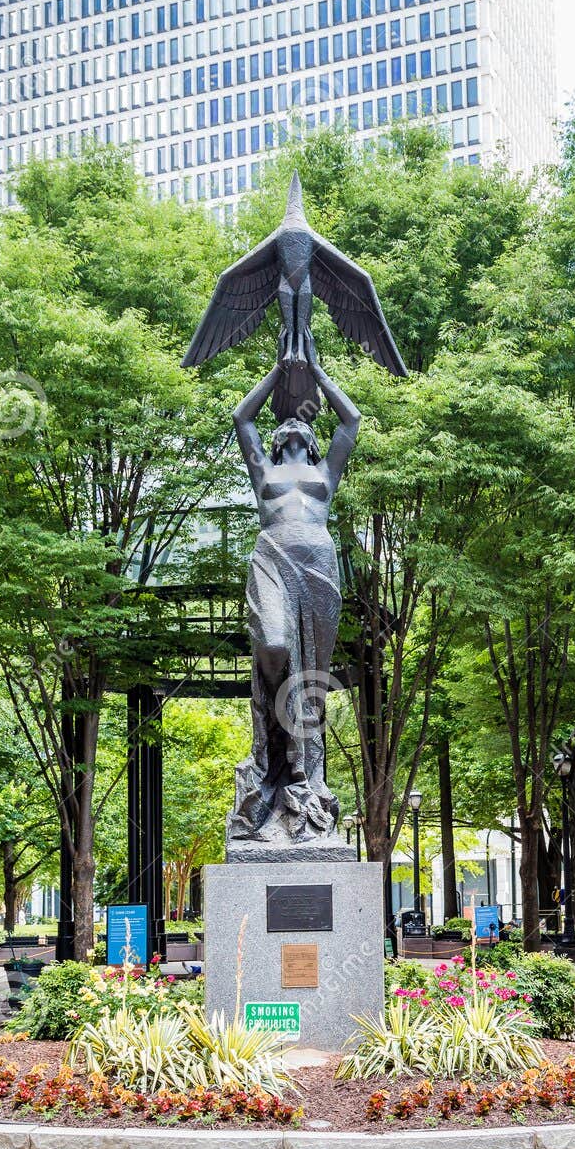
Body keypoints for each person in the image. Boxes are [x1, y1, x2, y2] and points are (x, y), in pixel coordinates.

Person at [229, 345, 360, 843]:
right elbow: (242, 417)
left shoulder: (326, 472)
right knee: (275, 646)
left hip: (320, 571)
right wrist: (277, 371)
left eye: (301, 430)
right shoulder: (264, 471)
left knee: (310, 678)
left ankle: (299, 768)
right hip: (273, 560)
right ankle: (272, 750)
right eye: (287, 431)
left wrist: (320, 373)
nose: (294, 432)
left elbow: (351, 420)